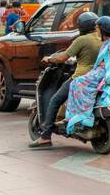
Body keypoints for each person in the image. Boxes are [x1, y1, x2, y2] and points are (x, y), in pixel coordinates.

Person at [29, 11, 101, 148]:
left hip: (81, 77)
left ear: (81, 26)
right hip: (99, 77)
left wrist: (49, 59)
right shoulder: (101, 38)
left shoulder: (81, 40)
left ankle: (45, 137)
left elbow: (63, 57)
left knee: (55, 100)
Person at [60, 15, 110, 135]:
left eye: (97, 28)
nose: (96, 31)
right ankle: (76, 116)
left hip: (101, 75)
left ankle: (83, 116)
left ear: (103, 30)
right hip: (100, 73)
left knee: (76, 83)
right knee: (77, 83)